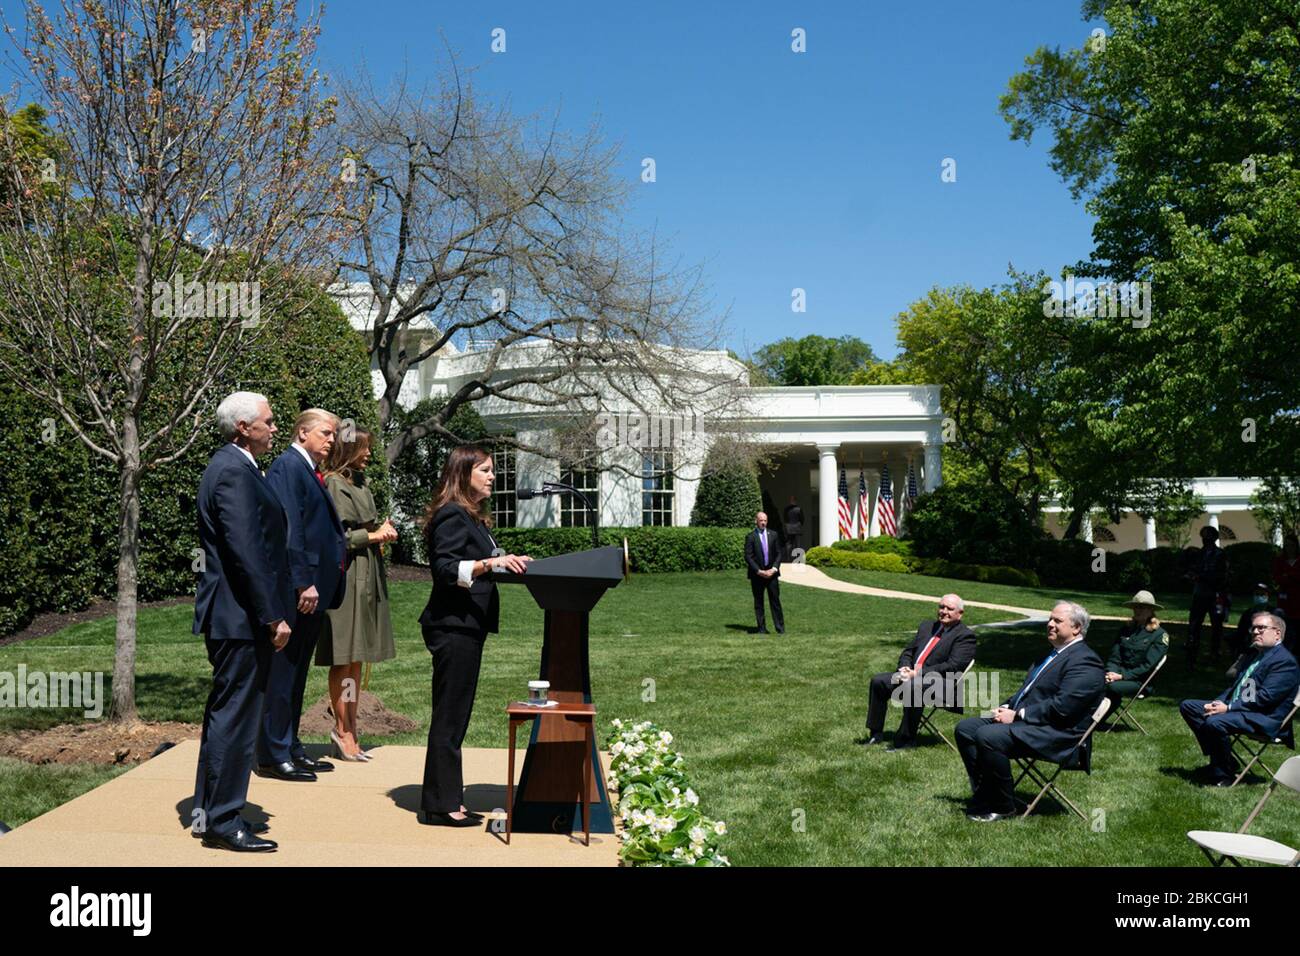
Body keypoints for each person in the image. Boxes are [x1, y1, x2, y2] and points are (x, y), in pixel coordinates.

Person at [192, 392, 294, 852]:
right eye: (268, 423)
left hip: (235, 615)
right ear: (242, 428)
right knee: (235, 718)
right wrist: (272, 615)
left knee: (226, 716)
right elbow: (245, 553)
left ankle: (210, 810)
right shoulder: (233, 471)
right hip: (239, 618)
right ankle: (223, 820)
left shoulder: (237, 466)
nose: (275, 428)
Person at [418, 445, 531, 826]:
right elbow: (446, 569)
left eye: (491, 471)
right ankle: (439, 805)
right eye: (484, 470)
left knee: (456, 717)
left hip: (467, 626)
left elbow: (476, 563)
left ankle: (450, 797)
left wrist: (503, 561)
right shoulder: (452, 514)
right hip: (453, 626)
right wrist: (490, 563)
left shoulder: (471, 518)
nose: (492, 477)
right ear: (463, 473)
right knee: (449, 717)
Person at [256, 409, 347, 782]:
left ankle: (290, 744)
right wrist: (302, 582)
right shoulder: (287, 467)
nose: (331, 440)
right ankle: (273, 753)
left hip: (313, 592)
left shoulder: (306, 468)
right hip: (299, 592)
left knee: (296, 674)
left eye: (333, 434)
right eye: (325, 433)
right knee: (284, 672)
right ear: (302, 431)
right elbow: (289, 530)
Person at [955, 602, 1105, 821]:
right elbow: (1029, 692)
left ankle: (1003, 806)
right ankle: (986, 793)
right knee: (966, 728)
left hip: (1060, 733)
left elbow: (1062, 708)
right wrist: (1007, 706)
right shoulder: (1054, 653)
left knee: (988, 736)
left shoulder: (1085, 661)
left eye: (1057, 621)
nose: (1050, 624)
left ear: (1076, 628)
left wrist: (1017, 715)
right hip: (1035, 722)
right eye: (1050, 619)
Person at [316, 427, 397, 761]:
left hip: (368, 573)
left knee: (357, 656)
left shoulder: (359, 482)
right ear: (349, 450)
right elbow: (337, 537)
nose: (369, 454)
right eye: (363, 448)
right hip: (348, 577)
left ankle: (351, 727)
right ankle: (342, 729)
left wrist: (380, 533)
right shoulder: (335, 483)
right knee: (344, 656)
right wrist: (376, 536)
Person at [1179, 612, 1300, 786]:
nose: (1255, 631)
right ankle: (1224, 760)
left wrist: (1228, 708)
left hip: (1265, 717)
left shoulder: (1284, 662)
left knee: (1215, 722)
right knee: (1188, 706)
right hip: (1243, 709)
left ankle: (1224, 774)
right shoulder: (1254, 655)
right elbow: (1235, 688)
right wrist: (1217, 703)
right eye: (1254, 628)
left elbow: (1264, 698)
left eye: (1262, 628)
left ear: (1277, 633)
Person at [857, 594, 975, 751]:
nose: (944, 611)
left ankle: (906, 741)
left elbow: (953, 666)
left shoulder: (965, 636)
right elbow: (908, 651)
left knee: (914, 687)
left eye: (949, 608)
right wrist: (904, 667)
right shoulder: (927, 626)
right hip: (912, 676)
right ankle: (875, 734)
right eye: (941, 607)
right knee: (879, 681)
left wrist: (917, 673)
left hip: (943, 685)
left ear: (960, 613)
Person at [1102, 590, 1169, 721]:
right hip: (1117, 675)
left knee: (1110, 687)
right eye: (1136, 607)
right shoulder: (1126, 630)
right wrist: (1111, 673)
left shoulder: (1159, 635)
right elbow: (1114, 657)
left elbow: (1147, 666)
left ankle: (1093, 721)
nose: (1137, 610)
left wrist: (1122, 676)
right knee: (1091, 679)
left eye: (1142, 607)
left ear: (1150, 610)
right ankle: (1087, 720)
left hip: (1139, 681)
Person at [1185, 525, 1229, 668]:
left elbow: (1221, 575)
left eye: (1208, 536)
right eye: (1203, 536)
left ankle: (1214, 653)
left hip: (1215, 594)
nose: (1205, 539)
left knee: (1216, 626)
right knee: (1194, 625)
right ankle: (1192, 653)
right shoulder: (1198, 554)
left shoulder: (1220, 554)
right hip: (1200, 594)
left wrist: (1201, 577)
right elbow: (1191, 568)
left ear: (1214, 538)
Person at [745, 511, 784, 634]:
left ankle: (780, 629)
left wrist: (774, 569)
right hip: (757, 575)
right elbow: (748, 556)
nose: (763, 522)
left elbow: (779, 553)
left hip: (772, 574)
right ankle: (761, 628)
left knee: (775, 601)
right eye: (761, 520)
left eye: (765, 520)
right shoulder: (751, 537)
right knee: (759, 602)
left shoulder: (774, 535)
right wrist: (758, 571)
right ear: (756, 521)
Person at [1233, 582, 1278, 658]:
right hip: (1250, 651)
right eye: (1257, 594)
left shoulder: (1276, 614)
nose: (1259, 597)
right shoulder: (1247, 614)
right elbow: (1240, 634)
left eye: (1262, 594)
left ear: (1268, 596)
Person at [1271, 534, 1300, 651]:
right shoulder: (1280, 561)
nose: (1289, 548)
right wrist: (1292, 577)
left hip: (1298, 598)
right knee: (1284, 623)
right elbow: (1277, 578)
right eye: (1287, 545)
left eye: (1292, 545)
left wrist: (1288, 575)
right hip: (1284, 598)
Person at [782, 496, 804, 562]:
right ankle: (798, 560)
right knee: (797, 544)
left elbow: (785, 518)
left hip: (789, 529)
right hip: (797, 529)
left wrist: (788, 525)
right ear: (795, 501)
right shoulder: (799, 509)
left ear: (790, 501)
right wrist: (798, 525)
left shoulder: (786, 509)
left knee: (788, 544)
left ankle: (788, 559)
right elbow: (802, 519)